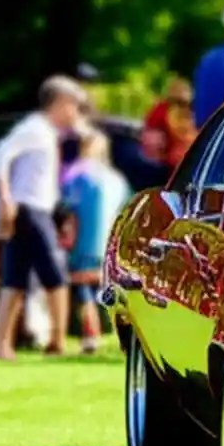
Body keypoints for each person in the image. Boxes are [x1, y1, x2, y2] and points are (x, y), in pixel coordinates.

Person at [0, 76, 87, 361]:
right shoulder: (34, 129)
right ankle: (57, 340)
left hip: (33, 209)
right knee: (56, 276)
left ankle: (1, 345)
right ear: (60, 103)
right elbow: (1, 153)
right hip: (30, 210)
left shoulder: (45, 131)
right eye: (74, 107)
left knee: (14, 280)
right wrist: (5, 196)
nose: (75, 114)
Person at [63, 130, 130, 354]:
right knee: (112, 290)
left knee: (84, 291)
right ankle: (123, 335)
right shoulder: (116, 179)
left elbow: (67, 209)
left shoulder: (75, 175)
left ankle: (90, 336)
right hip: (109, 241)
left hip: (83, 240)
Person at [142, 77, 197, 169]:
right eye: (177, 102)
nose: (180, 107)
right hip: (167, 165)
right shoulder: (161, 112)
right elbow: (152, 142)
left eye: (184, 103)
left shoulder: (192, 115)